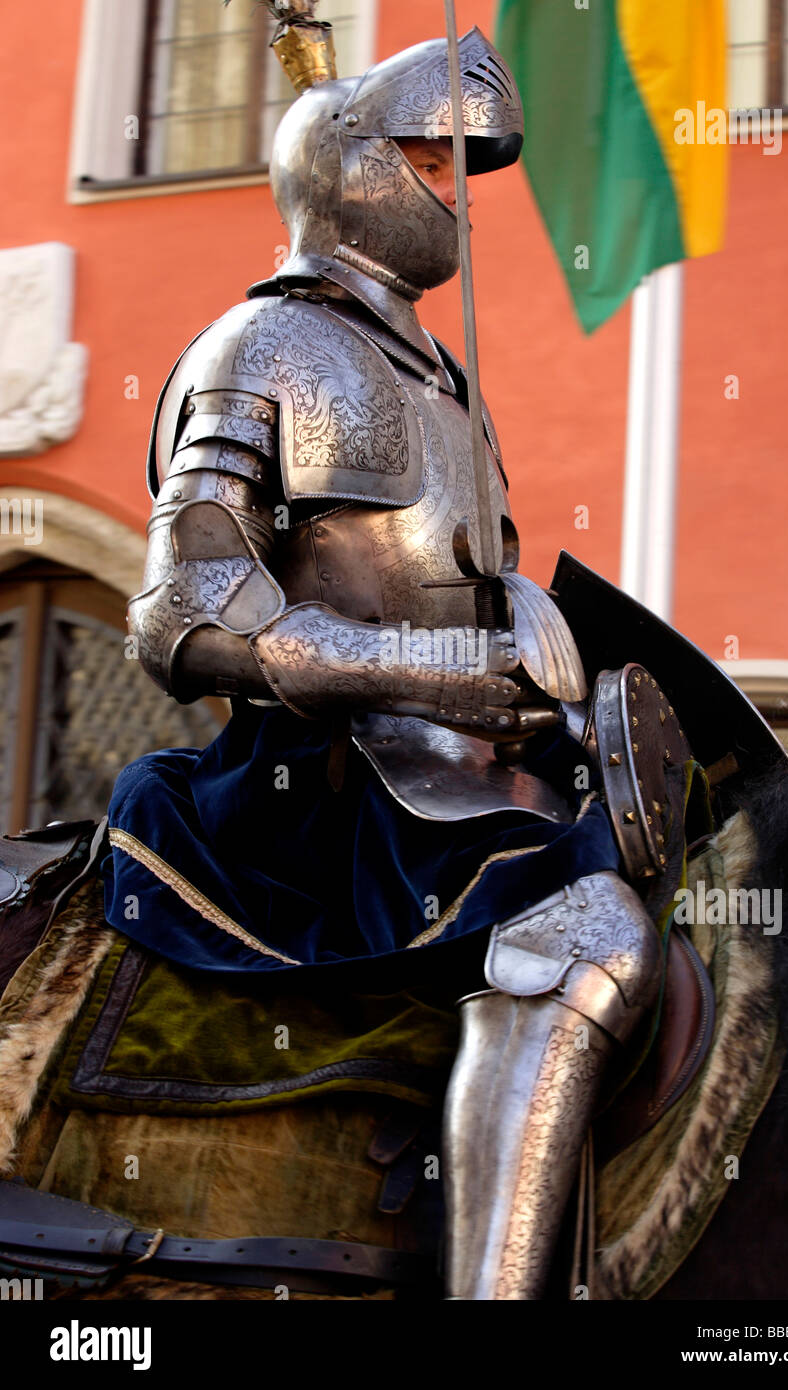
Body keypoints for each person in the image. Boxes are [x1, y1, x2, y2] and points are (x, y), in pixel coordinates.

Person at [109, 26, 660, 1299]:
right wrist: (420, 672)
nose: (460, 194)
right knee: (589, 938)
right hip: (324, 790)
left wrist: (515, 625)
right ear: (349, 166)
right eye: (433, 157)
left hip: (464, 766)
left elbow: (461, 571)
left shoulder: (438, 378)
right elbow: (180, 619)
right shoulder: (264, 353)